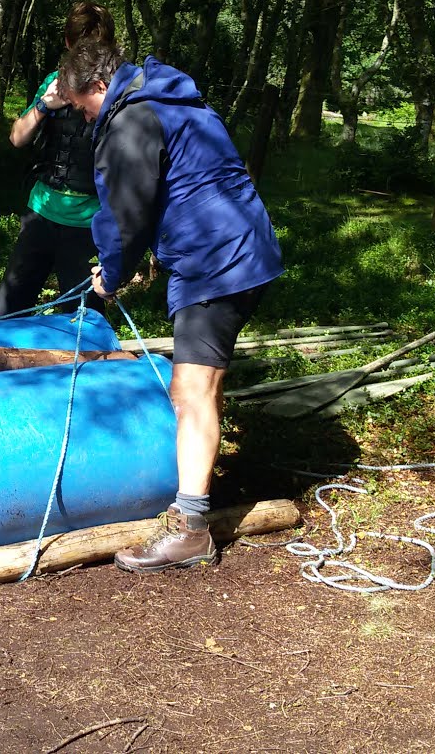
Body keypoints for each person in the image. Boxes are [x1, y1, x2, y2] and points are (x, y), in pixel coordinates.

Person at [57, 38, 285, 573]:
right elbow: (180, 184)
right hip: (242, 247)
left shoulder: (130, 119)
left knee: (190, 390)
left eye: (83, 106)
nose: (88, 118)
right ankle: (194, 507)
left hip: (216, 261)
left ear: (97, 87)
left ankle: (191, 527)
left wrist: (111, 274)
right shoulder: (173, 98)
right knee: (201, 385)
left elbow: (123, 213)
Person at [0, 2, 116, 317]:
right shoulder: (53, 81)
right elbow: (17, 138)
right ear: (67, 44)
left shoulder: (118, 96)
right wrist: (45, 105)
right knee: (8, 310)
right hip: (41, 214)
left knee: (82, 322)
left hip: (88, 224)